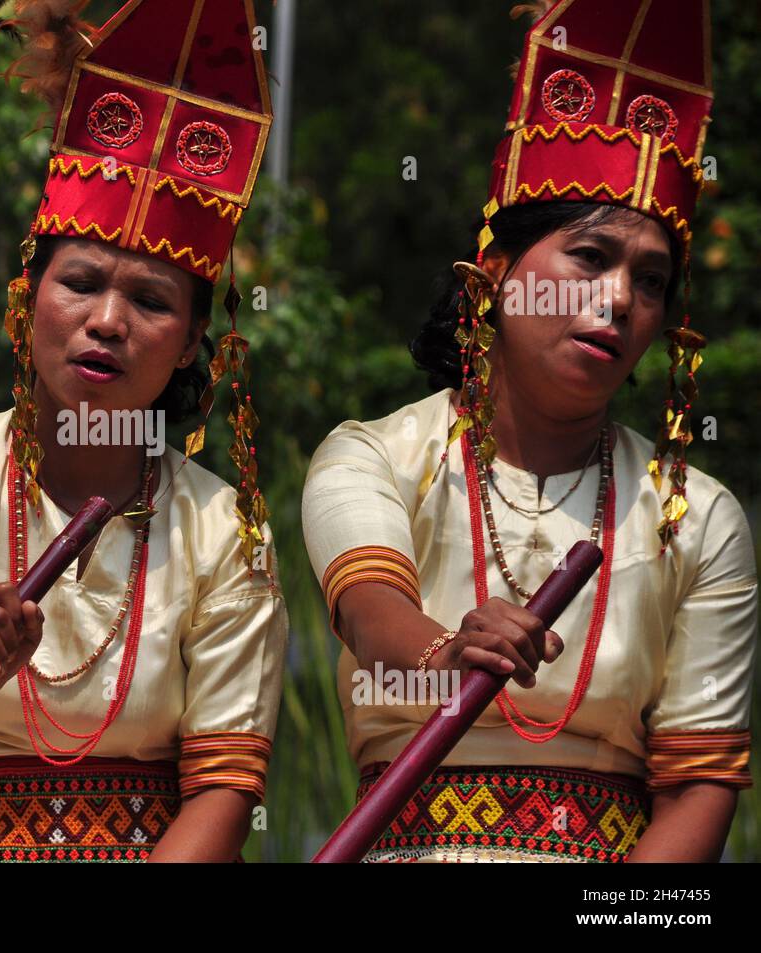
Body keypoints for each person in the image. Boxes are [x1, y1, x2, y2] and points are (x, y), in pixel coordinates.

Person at [303, 0, 756, 862]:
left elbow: (700, 786)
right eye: (589, 258)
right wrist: (444, 650)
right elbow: (370, 614)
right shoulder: (373, 457)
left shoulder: (699, 517)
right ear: (500, 274)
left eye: (651, 280)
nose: (620, 299)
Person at [0, 0, 288, 863]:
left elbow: (224, 787)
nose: (107, 321)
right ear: (27, 295)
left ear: (194, 339)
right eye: (81, 283)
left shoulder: (224, 530)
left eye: (153, 302)